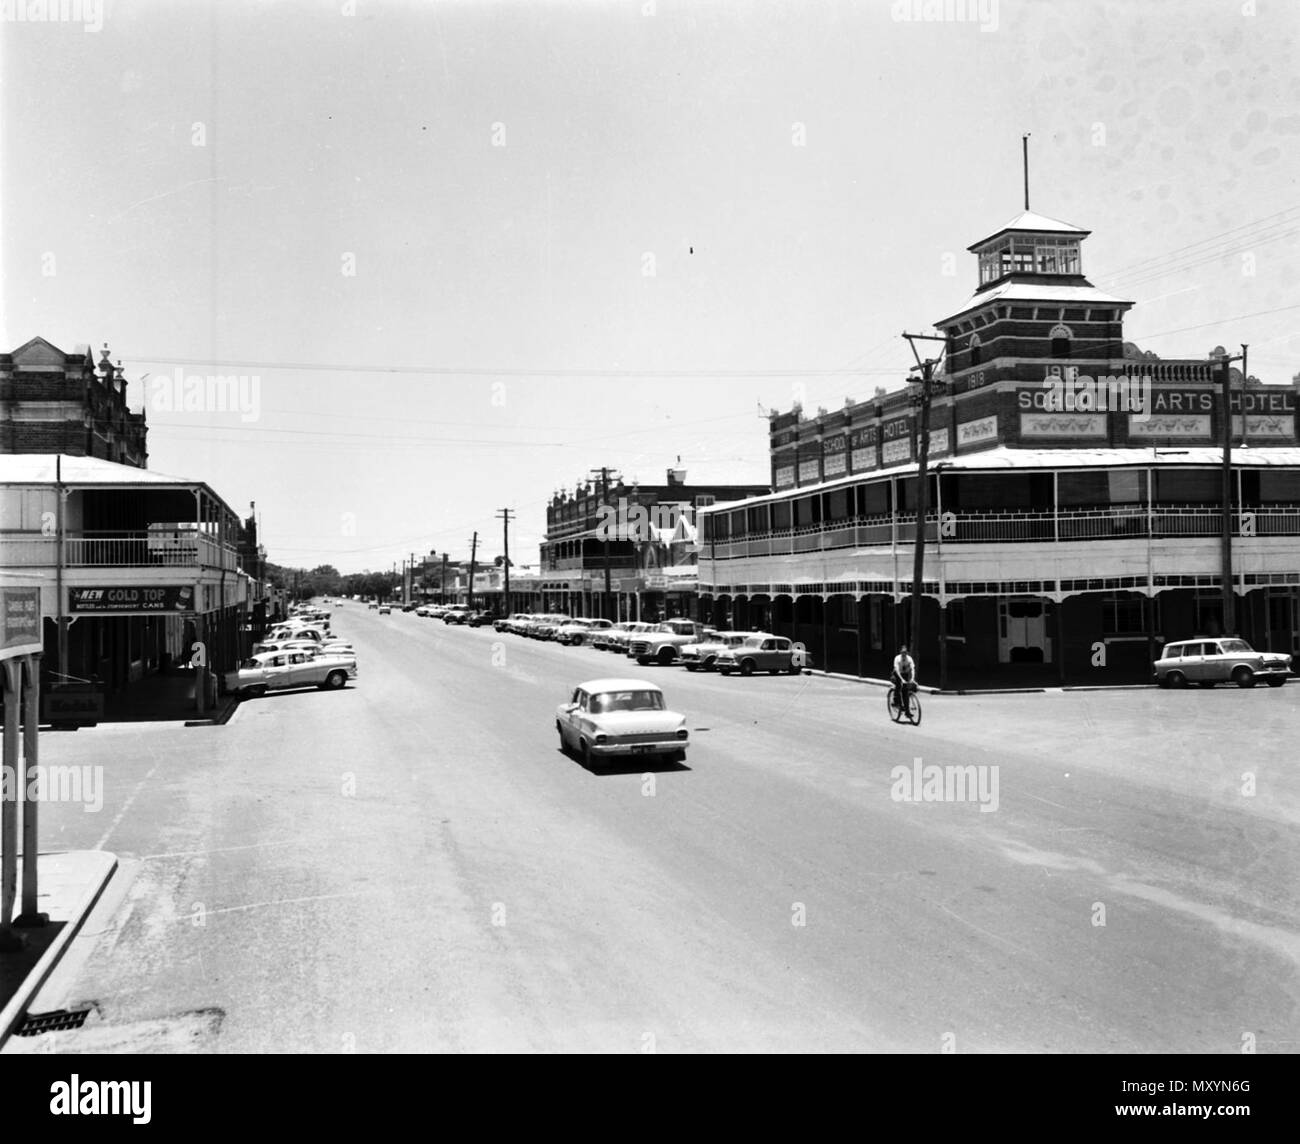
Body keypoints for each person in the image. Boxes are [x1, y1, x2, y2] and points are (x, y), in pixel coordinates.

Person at [891, 645, 917, 715]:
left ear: (907, 653)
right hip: (897, 674)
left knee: (905, 692)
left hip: (905, 674)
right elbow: (897, 670)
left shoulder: (909, 659)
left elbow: (912, 669)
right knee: (899, 685)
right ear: (900, 652)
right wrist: (902, 679)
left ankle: (907, 712)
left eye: (905, 652)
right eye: (902, 652)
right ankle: (896, 701)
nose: (904, 654)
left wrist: (912, 678)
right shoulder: (897, 658)